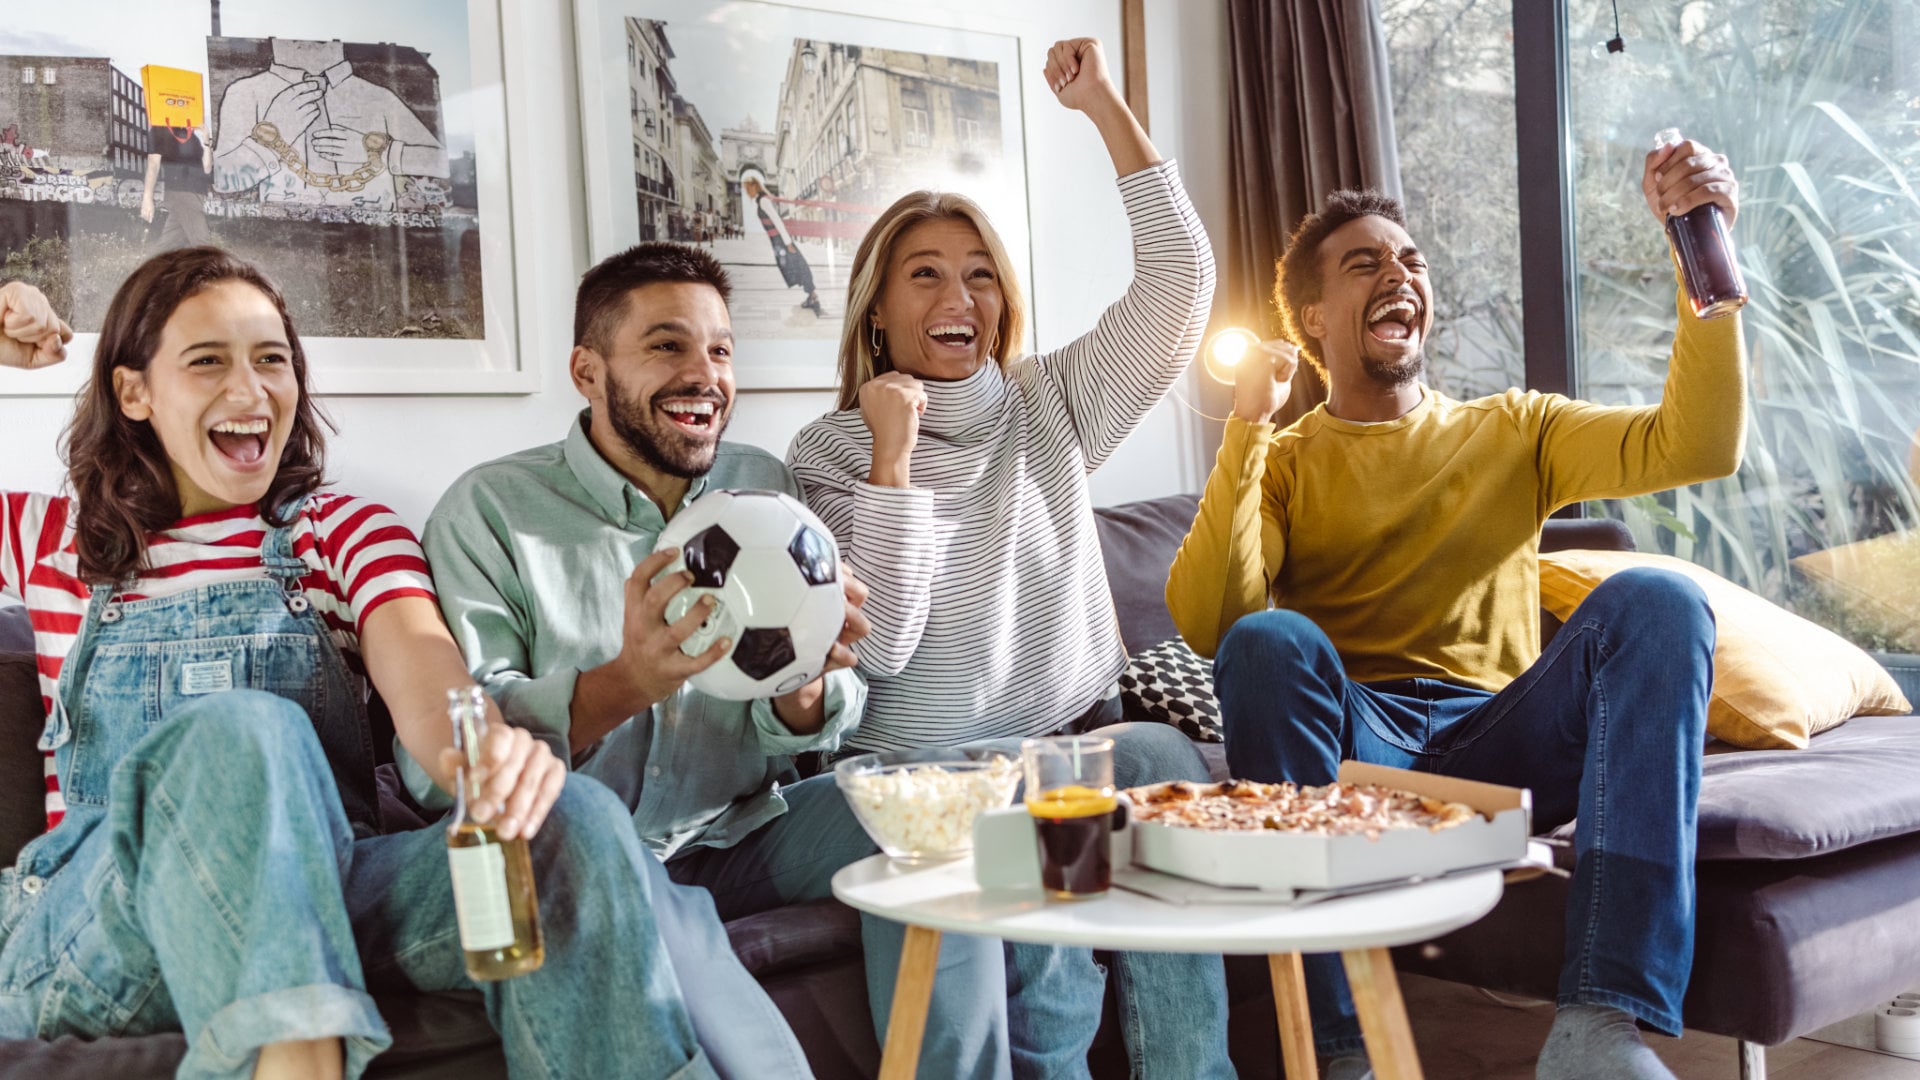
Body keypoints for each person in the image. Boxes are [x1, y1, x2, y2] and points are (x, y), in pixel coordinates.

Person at [0, 257, 814, 1080]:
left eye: (272, 358)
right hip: (100, 924)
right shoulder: (49, 538)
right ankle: (296, 1056)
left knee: (576, 820)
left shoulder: (343, 532)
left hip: (325, 894)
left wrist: (488, 756)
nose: (250, 389)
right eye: (208, 360)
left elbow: (428, 676)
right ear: (134, 393)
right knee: (245, 726)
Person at [1165, 140, 1748, 1080]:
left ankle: (1598, 1031)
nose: (1400, 273)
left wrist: (1703, 260)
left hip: (1505, 733)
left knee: (1660, 599)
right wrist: (1249, 429)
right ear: (1313, 319)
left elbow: (1702, 442)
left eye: (1411, 260)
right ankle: (1340, 1050)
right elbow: (1210, 622)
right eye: (1365, 262)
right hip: (1361, 745)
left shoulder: (1515, 427)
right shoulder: (1284, 457)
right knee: (1268, 640)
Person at [421, 241, 1011, 1079]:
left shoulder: (760, 484)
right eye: (667, 345)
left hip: (746, 826)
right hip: (598, 845)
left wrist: (807, 686)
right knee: (644, 900)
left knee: (936, 821)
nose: (705, 373)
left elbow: (812, 718)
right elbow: (461, 749)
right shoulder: (489, 512)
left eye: (721, 350)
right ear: (588, 373)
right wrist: (627, 682)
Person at [787, 37, 1233, 1080]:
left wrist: (1106, 111)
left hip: (1056, 749)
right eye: (928, 275)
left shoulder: (1054, 404)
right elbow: (882, 646)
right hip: (913, 775)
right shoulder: (825, 452)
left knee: (1166, 767)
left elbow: (1180, 284)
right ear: (880, 308)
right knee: (1023, 861)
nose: (961, 297)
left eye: (981, 274)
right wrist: (892, 458)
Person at [742, 168, 825, 316]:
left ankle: (813, 298)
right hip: (778, 241)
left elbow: (777, 222)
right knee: (794, 268)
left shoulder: (763, 201)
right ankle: (812, 296)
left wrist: (788, 243)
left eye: (748, 188)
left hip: (781, 241)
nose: (747, 192)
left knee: (799, 266)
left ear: (755, 186)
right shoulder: (761, 200)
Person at [142, 123, 214, 250]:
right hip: (181, 193)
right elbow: (153, 165)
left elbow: (207, 169)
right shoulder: (160, 129)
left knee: (169, 244)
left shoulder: (194, 133)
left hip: (197, 194)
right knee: (203, 246)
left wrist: (206, 141)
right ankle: (212, 270)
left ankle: (150, 267)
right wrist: (147, 198)